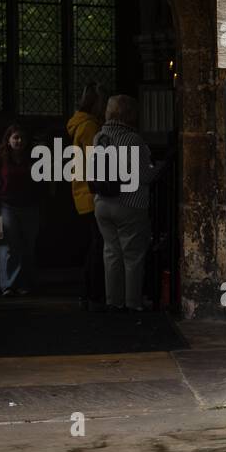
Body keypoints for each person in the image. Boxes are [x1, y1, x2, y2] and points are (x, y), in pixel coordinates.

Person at [92, 94, 157, 311]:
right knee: (133, 256)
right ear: (131, 114)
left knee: (111, 252)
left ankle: (113, 302)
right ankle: (132, 303)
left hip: (102, 203)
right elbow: (144, 176)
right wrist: (156, 168)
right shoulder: (133, 140)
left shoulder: (99, 136)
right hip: (129, 204)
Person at [0, 123, 42, 296]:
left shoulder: (34, 157)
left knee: (28, 246)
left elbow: (43, 181)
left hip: (30, 207)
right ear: (8, 140)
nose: (19, 141)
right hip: (7, 206)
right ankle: (8, 285)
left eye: (22, 137)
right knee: (8, 246)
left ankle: (25, 284)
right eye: (15, 137)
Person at [66, 82, 107, 310]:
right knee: (98, 244)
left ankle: (90, 291)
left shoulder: (81, 125)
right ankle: (93, 291)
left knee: (95, 243)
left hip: (83, 190)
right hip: (92, 192)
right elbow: (97, 161)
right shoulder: (90, 127)